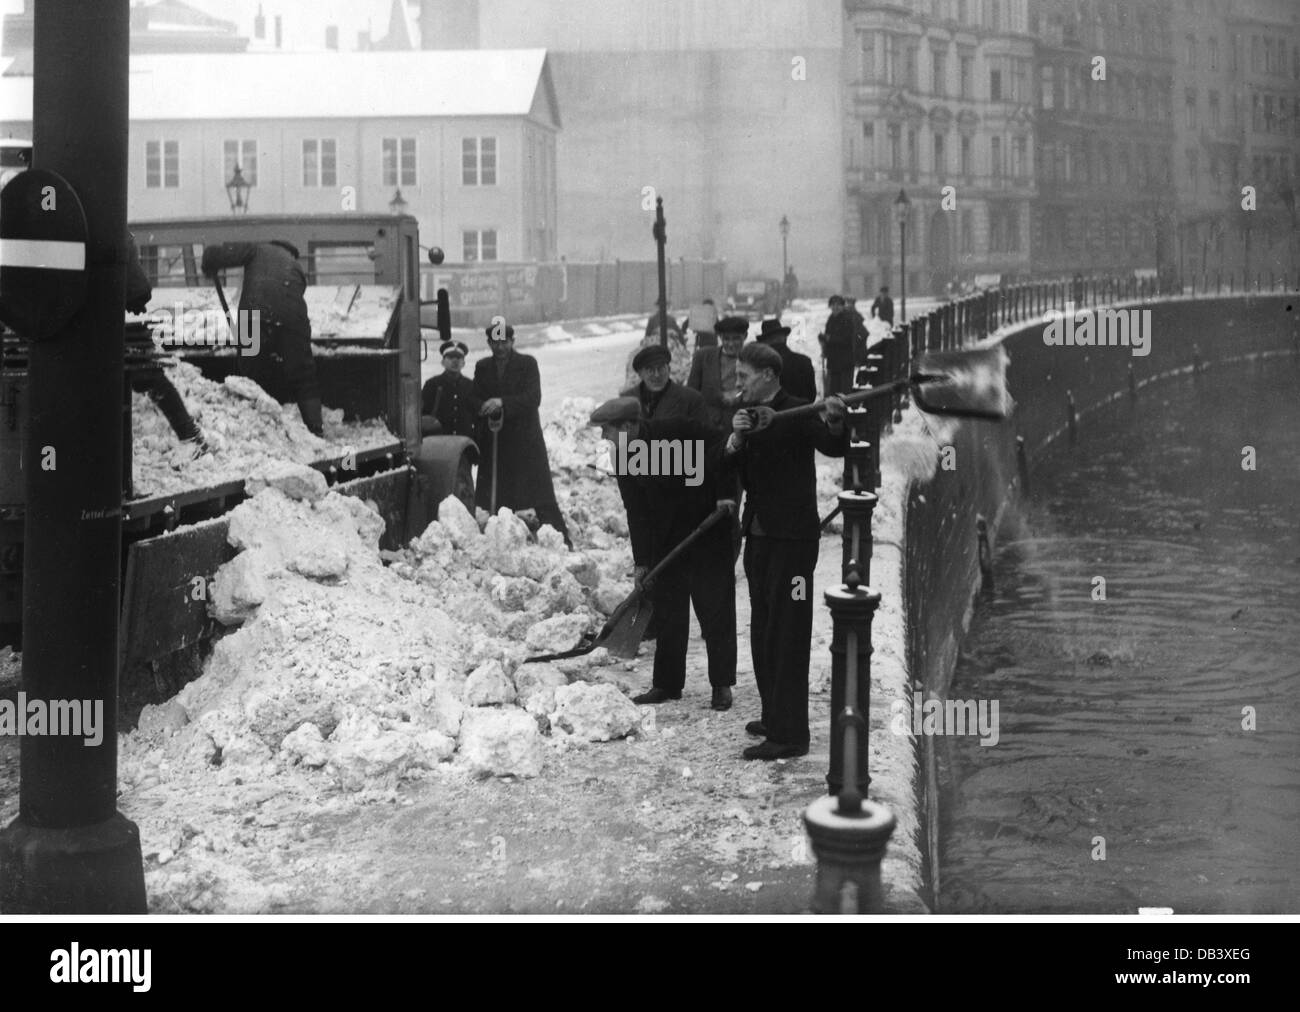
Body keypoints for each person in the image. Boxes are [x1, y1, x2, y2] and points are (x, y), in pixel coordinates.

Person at [722, 342, 847, 760]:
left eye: (744, 377)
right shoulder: (748, 417)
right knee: (763, 632)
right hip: (759, 540)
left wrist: (836, 420)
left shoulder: (798, 410)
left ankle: (790, 735)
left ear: (769, 376)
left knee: (788, 633)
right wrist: (736, 440)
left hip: (793, 545)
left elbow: (834, 447)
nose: (738, 384)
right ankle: (774, 714)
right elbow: (729, 470)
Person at [591, 393, 737, 710]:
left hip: (708, 531)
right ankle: (667, 684)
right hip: (666, 540)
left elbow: (724, 450)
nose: (604, 438)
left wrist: (725, 496)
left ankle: (721, 684)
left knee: (715, 610)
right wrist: (642, 562)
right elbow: (636, 512)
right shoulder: (621, 457)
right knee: (669, 612)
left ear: (630, 425)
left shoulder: (678, 430)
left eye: (608, 430)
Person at [200, 239, 323, 435]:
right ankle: (315, 427)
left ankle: (254, 427)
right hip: (292, 317)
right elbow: (288, 302)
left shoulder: (258, 249)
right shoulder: (297, 268)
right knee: (303, 374)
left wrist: (210, 258)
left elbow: (224, 254)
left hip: (253, 314)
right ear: (291, 252)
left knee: (251, 373)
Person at [472, 320, 571, 545]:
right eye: (495, 343)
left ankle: (561, 539)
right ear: (489, 343)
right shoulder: (482, 367)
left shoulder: (527, 364)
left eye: (504, 342)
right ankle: (503, 537)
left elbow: (533, 398)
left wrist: (502, 402)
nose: (500, 348)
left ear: (512, 342)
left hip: (524, 441)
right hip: (496, 441)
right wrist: (484, 405)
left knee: (539, 492)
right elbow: (475, 397)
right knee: (498, 495)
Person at [127, 231, 208, 453]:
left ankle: (190, 436)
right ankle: (190, 435)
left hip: (97, 321)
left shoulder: (93, 222)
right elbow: (138, 290)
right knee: (147, 375)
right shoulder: (112, 226)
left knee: (143, 375)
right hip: (112, 321)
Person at [687, 315, 749, 430]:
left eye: (736, 338)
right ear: (720, 337)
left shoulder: (752, 359)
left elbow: (757, 390)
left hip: (739, 427)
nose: (731, 344)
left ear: (745, 336)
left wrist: (738, 394)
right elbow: (691, 393)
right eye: (726, 339)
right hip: (707, 425)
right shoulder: (703, 356)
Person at [421, 340, 482, 437]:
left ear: (463, 363)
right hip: (438, 441)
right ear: (442, 362)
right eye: (450, 357)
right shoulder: (432, 384)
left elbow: (477, 416)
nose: (455, 361)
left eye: (458, 357)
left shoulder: (471, 386)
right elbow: (423, 414)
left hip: (464, 441)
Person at [756, 317, 816, 402]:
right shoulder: (804, 361)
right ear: (785, 338)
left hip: (774, 414)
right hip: (802, 413)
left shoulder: (761, 367)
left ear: (765, 343)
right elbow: (811, 396)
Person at [819, 295, 857, 395]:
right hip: (833, 362)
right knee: (833, 393)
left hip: (845, 363)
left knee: (844, 394)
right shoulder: (830, 319)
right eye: (833, 305)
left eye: (838, 305)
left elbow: (846, 339)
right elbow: (828, 336)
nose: (835, 307)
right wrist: (823, 342)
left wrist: (829, 338)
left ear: (842, 306)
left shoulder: (847, 319)